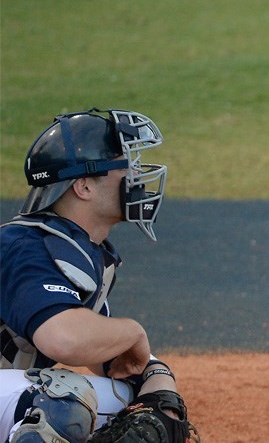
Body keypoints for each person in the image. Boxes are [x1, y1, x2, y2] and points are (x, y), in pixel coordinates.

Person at [0, 109, 198, 442]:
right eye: (124, 166)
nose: (135, 175)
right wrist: (134, 332)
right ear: (84, 186)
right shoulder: (24, 247)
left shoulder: (80, 252)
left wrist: (159, 382)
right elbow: (63, 339)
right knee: (65, 400)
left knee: (133, 403)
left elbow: (114, 355)